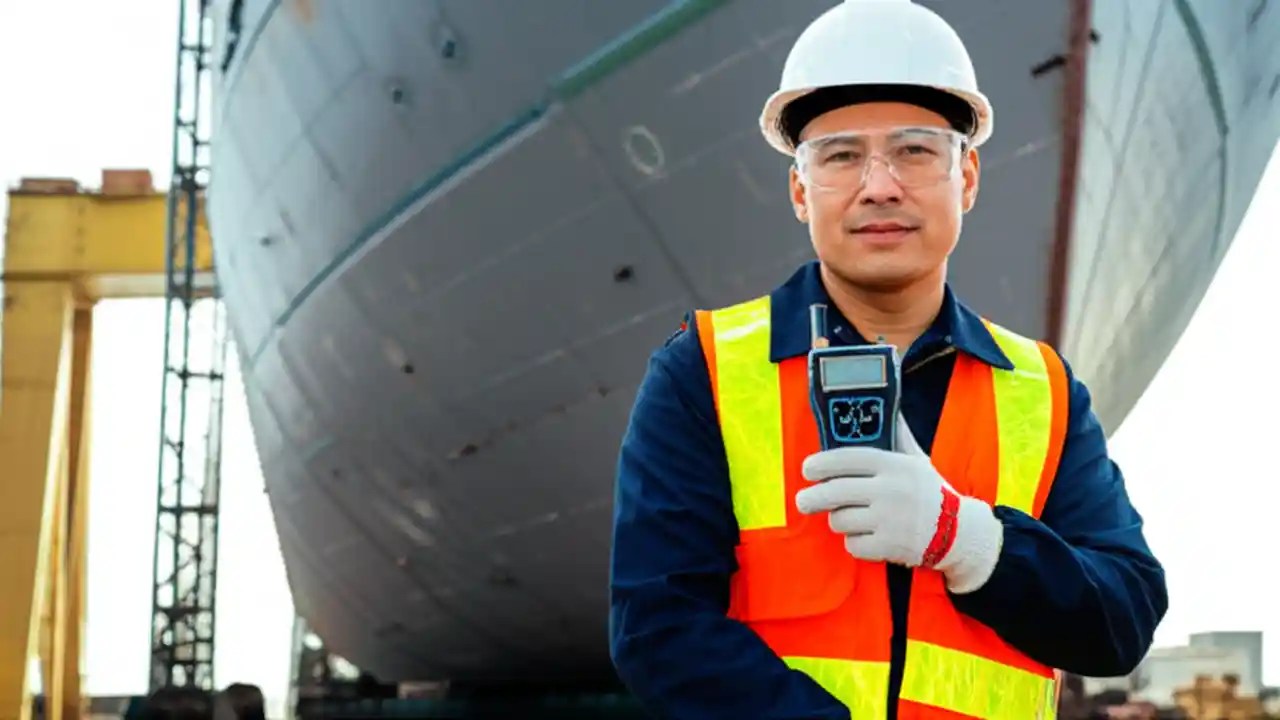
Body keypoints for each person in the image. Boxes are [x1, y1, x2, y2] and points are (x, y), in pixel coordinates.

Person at [607, 1, 1168, 718]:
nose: (880, 185)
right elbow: (657, 629)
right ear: (799, 190)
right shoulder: (703, 373)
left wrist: (970, 542)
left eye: (915, 150)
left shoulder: (1046, 393)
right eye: (841, 155)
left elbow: (1121, 623)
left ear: (965, 179)